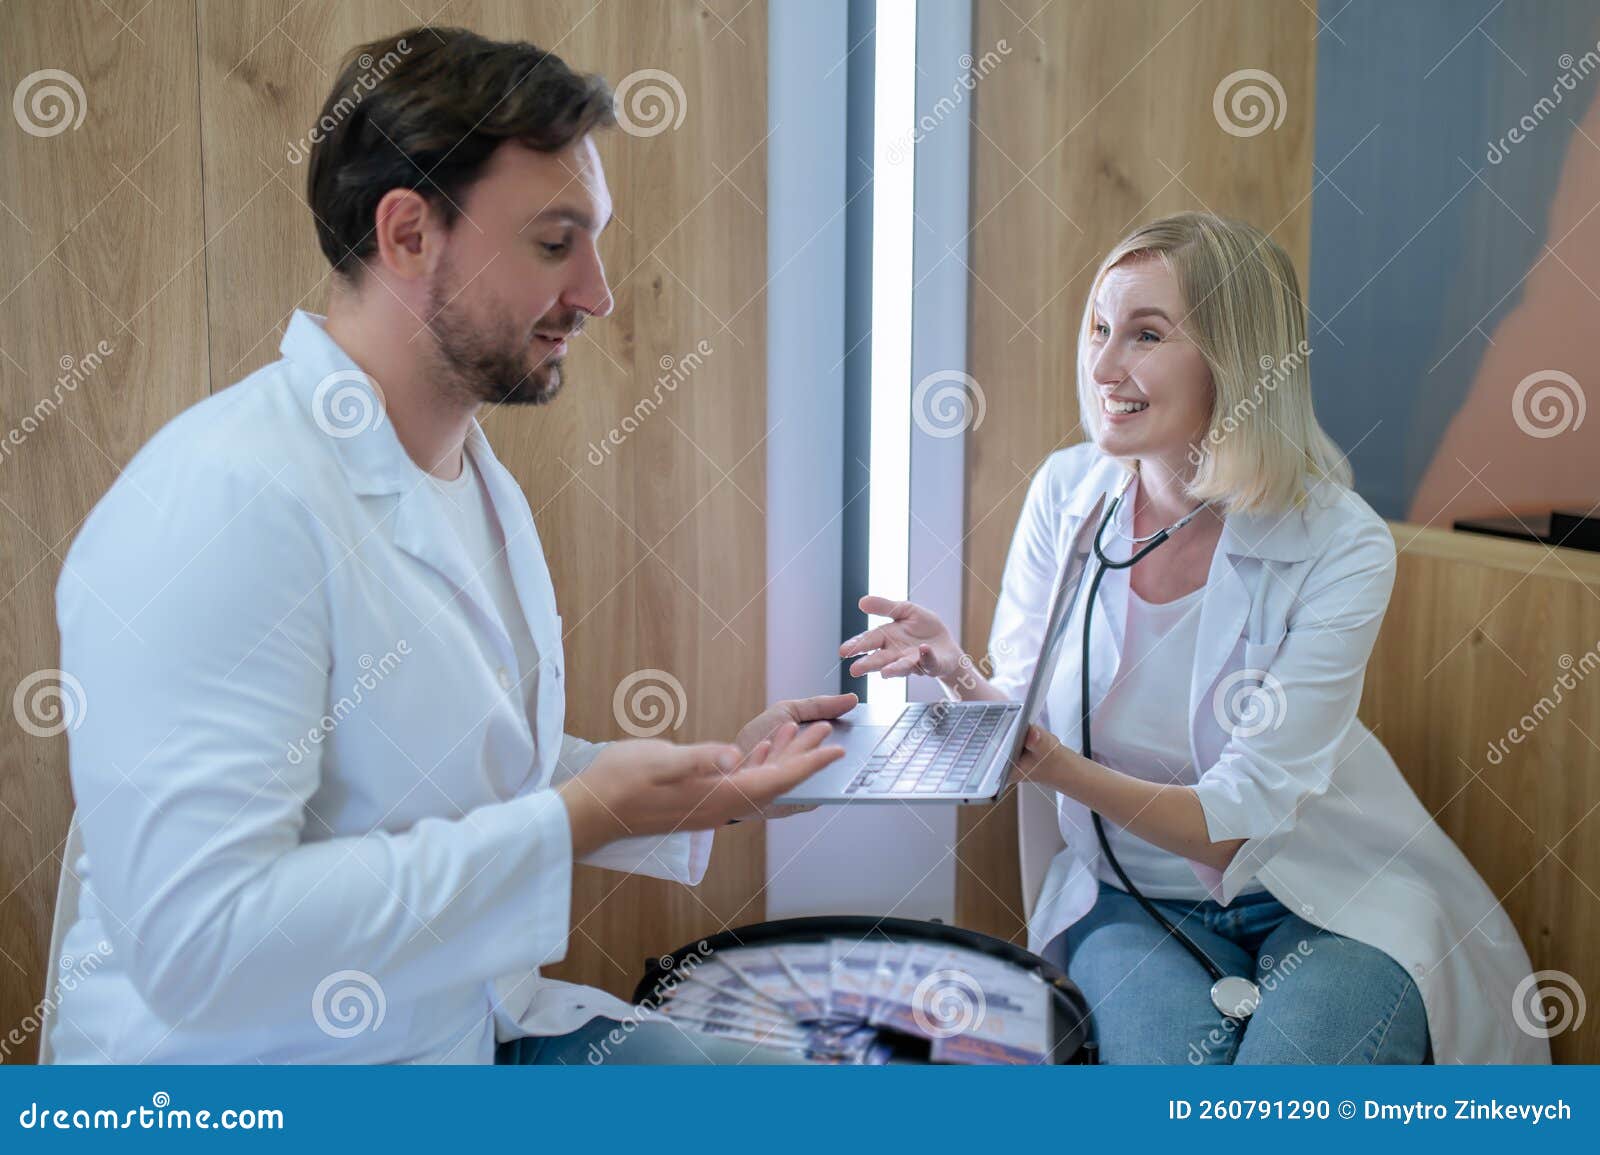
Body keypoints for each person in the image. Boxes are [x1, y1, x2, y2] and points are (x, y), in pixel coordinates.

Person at [49, 26, 850, 1065]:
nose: (599, 295)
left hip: (458, 1032)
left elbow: (457, 769)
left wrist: (708, 783)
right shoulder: (221, 505)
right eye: (556, 243)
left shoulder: (467, 477)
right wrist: (572, 824)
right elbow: (204, 946)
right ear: (409, 234)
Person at [841, 212, 1547, 1064]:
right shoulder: (1067, 494)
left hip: (1326, 893)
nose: (1103, 366)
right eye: (1099, 328)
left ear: (1235, 359)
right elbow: (1030, 727)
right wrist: (962, 676)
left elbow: (1236, 822)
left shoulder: (1340, 542)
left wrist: (1053, 764)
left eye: (1145, 334)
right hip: (1133, 900)